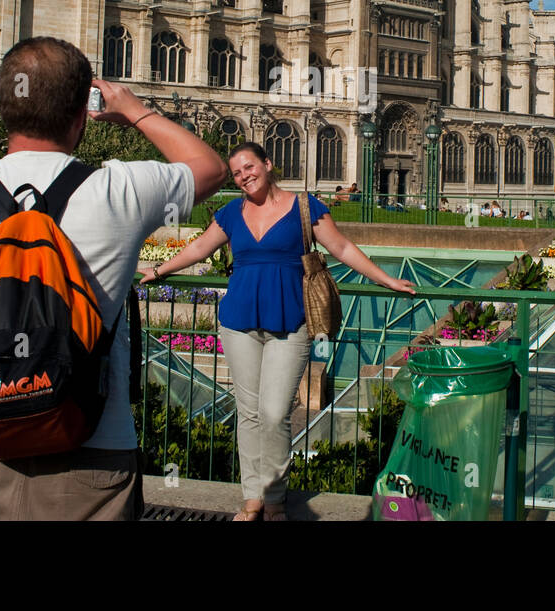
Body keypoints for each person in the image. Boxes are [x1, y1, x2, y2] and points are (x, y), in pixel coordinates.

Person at [0, 37, 226, 520]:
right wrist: (133, 109)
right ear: (79, 115)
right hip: (92, 449)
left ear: (3, 108)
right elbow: (211, 168)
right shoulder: (118, 188)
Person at [145, 142, 415, 521]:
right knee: (248, 413)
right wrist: (157, 271)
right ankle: (253, 498)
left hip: (292, 323)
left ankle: (275, 497)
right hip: (238, 322)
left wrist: (386, 279)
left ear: (268, 164)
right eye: (237, 172)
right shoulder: (230, 213)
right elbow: (200, 249)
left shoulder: (304, 207)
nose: (244, 176)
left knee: (274, 414)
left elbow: (341, 247)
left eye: (249, 167)